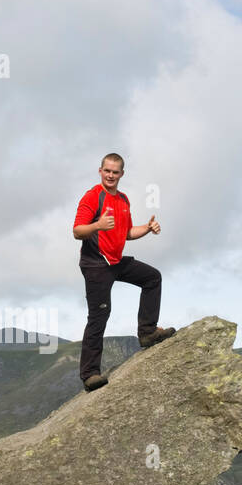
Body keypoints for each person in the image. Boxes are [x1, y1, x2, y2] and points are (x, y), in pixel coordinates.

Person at [72, 153, 175, 392]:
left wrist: (148, 229)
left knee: (152, 277)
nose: (110, 175)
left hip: (115, 261)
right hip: (95, 264)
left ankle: (147, 332)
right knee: (100, 315)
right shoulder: (92, 197)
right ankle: (89, 375)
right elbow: (77, 231)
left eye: (115, 172)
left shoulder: (123, 200)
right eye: (107, 171)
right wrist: (97, 225)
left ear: (122, 174)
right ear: (100, 171)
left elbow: (127, 232)